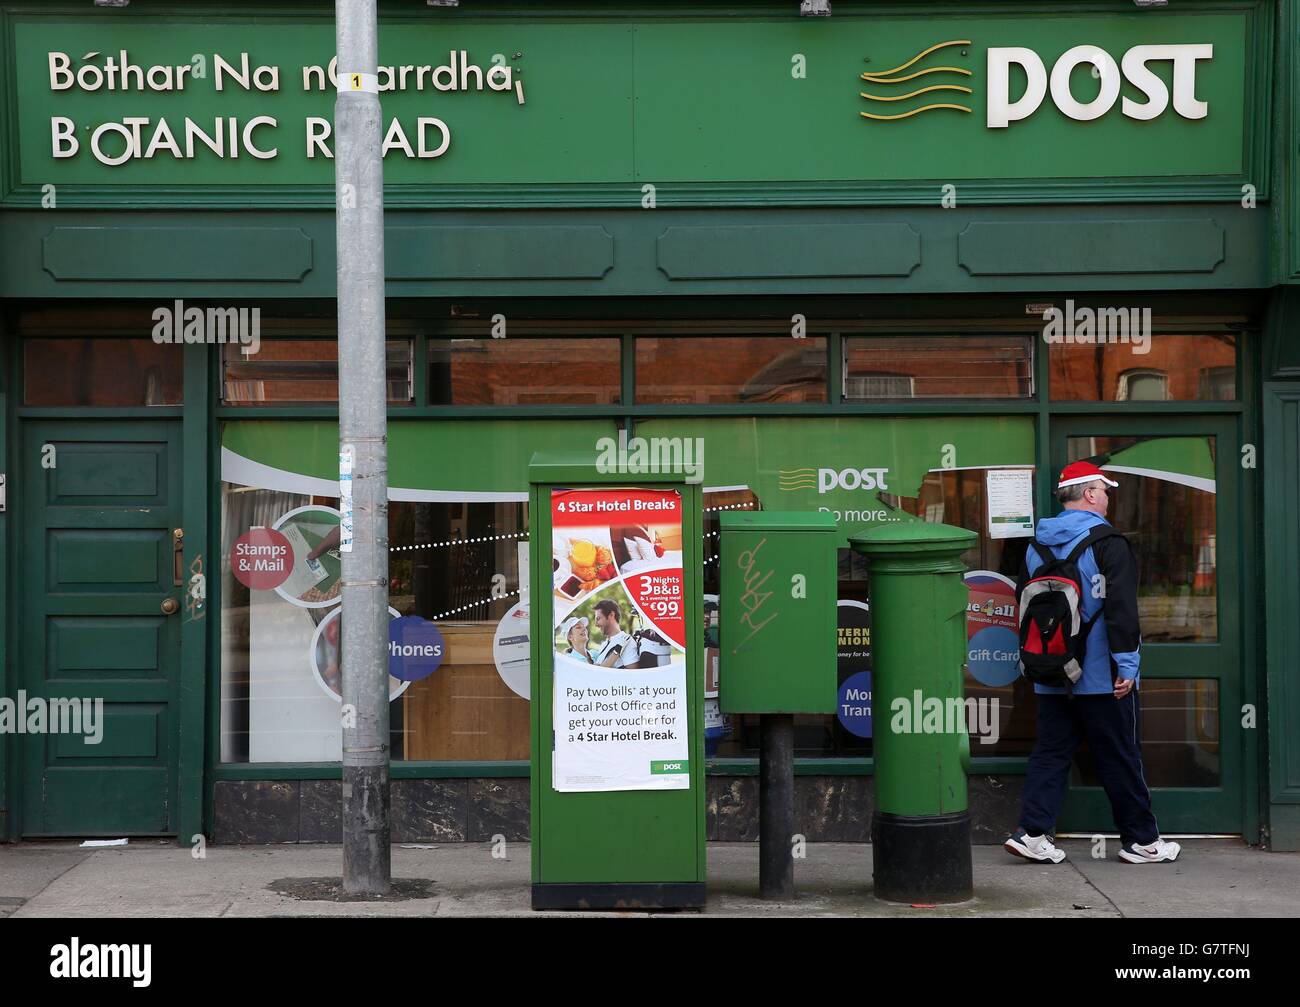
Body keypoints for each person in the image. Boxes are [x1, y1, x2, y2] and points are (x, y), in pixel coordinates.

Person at [1005, 460, 1182, 866]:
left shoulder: (1036, 545)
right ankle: (1142, 842)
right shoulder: (1109, 542)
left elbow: (1024, 604)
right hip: (1100, 673)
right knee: (1119, 753)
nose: (1107, 499)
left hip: (1051, 668)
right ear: (1089, 494)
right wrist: (1128, 665)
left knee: (1050, 751)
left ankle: (1032, 833)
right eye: (1105, 491)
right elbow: (1121, 610)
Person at [592, 599, 640, 669]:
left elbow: (633, 675)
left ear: (611, 615)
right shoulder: (604, 645)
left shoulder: (627, 641)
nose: (596, 624)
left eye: (598, 619)